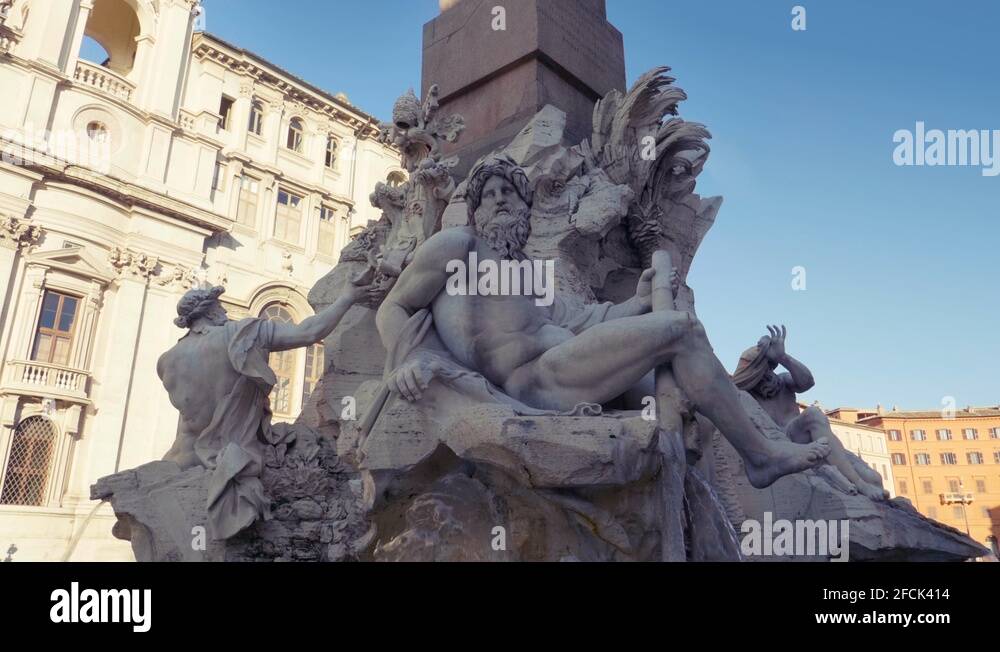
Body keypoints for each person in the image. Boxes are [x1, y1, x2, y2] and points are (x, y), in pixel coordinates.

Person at [376, 155, 830, 489]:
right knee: (683, 333)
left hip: (567, 362)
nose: (499, 201)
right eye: (489, 195)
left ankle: (742, 460)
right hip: (537, 380)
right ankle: (762, 456)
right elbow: (393, 306)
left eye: (508, 192)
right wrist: (406, 361)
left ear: (524, 205)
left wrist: (636, 303)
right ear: (474, 209)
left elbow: (579, 319)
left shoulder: (526, 272)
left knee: (691, 405)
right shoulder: (456, 246)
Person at [157, 281, 369, 538]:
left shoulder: (167, 360)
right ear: (211, 311)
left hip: (180, 464)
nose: (224, 312)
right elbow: (308, 332)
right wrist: (347, 297)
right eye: (220, 307)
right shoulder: (243, 334)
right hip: (232, 465)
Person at [734, 325, 888, 500]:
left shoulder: (783, 381)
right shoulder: (746, 396)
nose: (768, 375)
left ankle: (864, 485)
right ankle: (860, 485)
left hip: (815, 439)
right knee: (813, 414)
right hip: (786, 444)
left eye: (770, 368)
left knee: (875, 478)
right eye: (762, 371)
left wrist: (783, 357)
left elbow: (807, 382)